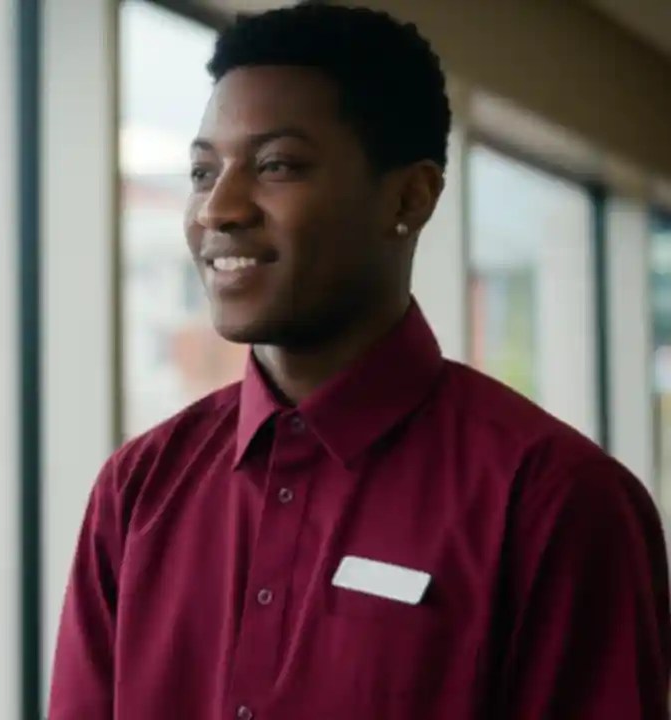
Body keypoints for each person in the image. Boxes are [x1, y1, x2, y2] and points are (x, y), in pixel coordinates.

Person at [48, 4, 671, 719]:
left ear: (410, 197)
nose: (217, 208)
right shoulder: (137, 491)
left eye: (277, 165)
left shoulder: (555, 501)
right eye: (202, 171)